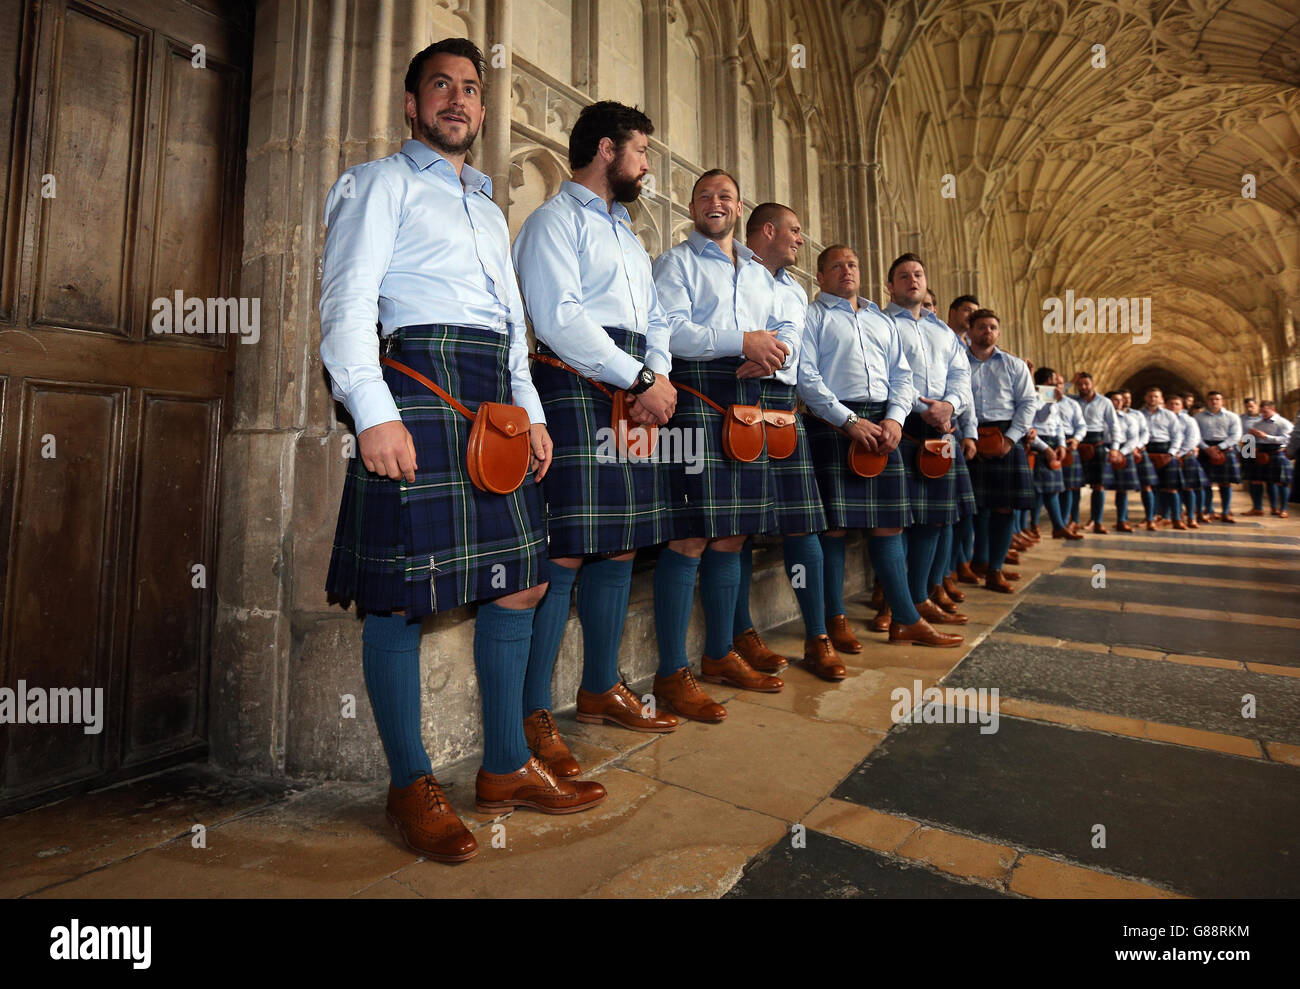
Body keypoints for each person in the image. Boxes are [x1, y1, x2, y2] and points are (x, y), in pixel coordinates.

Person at [319, 39, 605, 864]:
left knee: (520, 581)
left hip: (492, 397)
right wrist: (372, 412)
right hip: (417, 384)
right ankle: (410, 781)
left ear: (483, 112)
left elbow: (515, 327)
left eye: (470, 89)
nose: (456, 99)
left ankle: (507, 766)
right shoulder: (377, 184)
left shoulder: (487, 206)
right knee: (401, 597)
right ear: (411, 105)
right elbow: (345, 306)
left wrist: (532, 410)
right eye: (439, 85)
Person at [512, 101, 682, 772]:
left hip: (637, 391)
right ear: (607, 150)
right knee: (568, 552)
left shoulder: (628, 233)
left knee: (619, 546)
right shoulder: (553, 223)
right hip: (576, 386)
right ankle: (531, 711)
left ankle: (599, 686)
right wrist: (640, 377)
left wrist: (658, 376)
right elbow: (557, 320)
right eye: (640, 151)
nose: (645, 165)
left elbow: (659, 316)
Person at [650, 169, 794, 721]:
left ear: (739, 209)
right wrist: (742, 341)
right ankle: (669, 673)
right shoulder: (675, 263)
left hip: (749, 403)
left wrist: (772, 353)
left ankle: (718, 654)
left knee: (732, 535)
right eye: (706, 195)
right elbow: (668, 330)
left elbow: (783, 330)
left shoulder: (760, 275)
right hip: (693, 399)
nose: (716, 203)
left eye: (726, 197)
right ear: (691, 205)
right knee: (688, 537)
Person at [800, 245, 961, 647]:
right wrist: (849, 421)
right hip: (833, 424)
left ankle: (906, 618)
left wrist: (894, 418)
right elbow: (806, 376)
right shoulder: (813, 315)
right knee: (833, 529)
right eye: (836, 266)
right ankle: (834, 619)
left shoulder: (880, 320)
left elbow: (901, 377)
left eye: (852, 264)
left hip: (885, 423)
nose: (846, 271)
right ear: (820, 276)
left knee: (890, 525)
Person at [735, 203, 843, 681]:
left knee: (804, 527)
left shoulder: (797, 292)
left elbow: (798, 351)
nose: (801, 239)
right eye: (795, 231)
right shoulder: (736, 269)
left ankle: (817, 636)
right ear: (770, 230)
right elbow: (739, 332)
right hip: (739, 397)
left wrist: (776, 361)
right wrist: (755, 351)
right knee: (733, 529)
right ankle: (741, 633)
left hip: (783, 406)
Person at [882, 253, 973, 632]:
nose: (912, 280)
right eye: (903, 276)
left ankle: (918, 597)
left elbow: (962, 378)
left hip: (942, 429)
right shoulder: (880, 323)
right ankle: (893, 602)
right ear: (890, 287)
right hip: (898, 426)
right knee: (894, 519)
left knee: (935, 520)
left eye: (918, 273)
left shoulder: (945, 334)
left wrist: (951, 405)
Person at [964, 310, 1037, 593]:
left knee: (1004, 506)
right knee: (975, 506)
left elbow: (1028, 403)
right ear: (969, 330)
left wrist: (1010, 439)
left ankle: (995, 569)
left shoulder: (1014, 365)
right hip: (968, 436)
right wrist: (966, 435)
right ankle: (977, 561)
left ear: (999, 332)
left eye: (993, 327)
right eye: (982, 327)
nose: (988, 332)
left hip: (1005, 434)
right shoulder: (958, 362)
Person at [1028, 367, 1083, 539]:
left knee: (1050, 489)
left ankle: (1053, 526)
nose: (1057, 384)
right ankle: (1040, 526)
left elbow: (1058, 424)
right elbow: (1037, 422)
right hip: (1039, 443)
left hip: (1053, 442)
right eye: (1054, 380)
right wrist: (1047, 448)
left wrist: (1061, 445)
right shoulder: (1035, 397)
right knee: (1041, 489)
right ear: (1046, 382)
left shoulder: (1054, 398)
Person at [1071, 372, 1123, 534]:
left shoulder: (1105, 402)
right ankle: (1073, 521)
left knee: (1098, 485)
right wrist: (1068, 383)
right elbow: (1050, 396)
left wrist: (1115, 447)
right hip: (1076, 443)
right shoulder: (1071, 400)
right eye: (1080, 384)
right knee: (1074, 485)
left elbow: (1114, 425)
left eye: (1086, 384)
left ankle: (1097, 521)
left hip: (1097, 442)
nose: (1083, 387)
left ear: (1093, 384)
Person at [1139, 388, 1185, 528]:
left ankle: (1176, 519)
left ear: (1160, 399)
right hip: (1146, 450)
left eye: (1156, 396)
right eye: (1150, 396)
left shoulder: (1169, 415)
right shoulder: (1139, 415)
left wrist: (1171, 453)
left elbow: (1177, 436)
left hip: (1165, 449)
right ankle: (1150, 518)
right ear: (1145, 398)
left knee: (1171, 487)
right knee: (1147, 486)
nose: (1153, 399)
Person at [1194, 390, 1242, 522]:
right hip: (1206, 449)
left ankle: (1226, 512)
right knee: (1206, 483)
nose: (1214, 401)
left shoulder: (1233, 417)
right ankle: (1208, 511)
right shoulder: (1199, 417)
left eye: (1217, 399)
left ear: (1222, 401)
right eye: (1211, 399)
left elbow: (1236, 435)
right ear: (1207, 401)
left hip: (1225, 449)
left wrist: (1219, 447)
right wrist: (1206, 448)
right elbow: (1196, 435)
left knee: (1225, 483)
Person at [1249, 400, 1294, 517]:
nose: (1263, 414)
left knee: (1281, 482)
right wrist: (1250, 449)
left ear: (1273, 410)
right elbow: (1250, 439)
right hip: (1261, 454)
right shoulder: (1257, 424)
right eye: (1261, 412)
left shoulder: (1284, 423)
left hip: (1277, 452)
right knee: (1256, 480)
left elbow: (1287, 439)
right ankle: (1259, 508)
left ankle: (1283, 509)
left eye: (1265, 412)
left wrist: (1266, 437)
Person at [1168, 395, 1206, 528]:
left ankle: (1191, 517)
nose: (1173, 406)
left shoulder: (1189, 420)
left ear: (1182, 406)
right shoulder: (1163, 419)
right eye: (1171, 404)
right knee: (1172, 488)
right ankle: (1175, 517)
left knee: (1189, 487)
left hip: (1185, 456)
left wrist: (1179, 453)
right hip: (1169, 456)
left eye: (1176, 404)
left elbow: (1193, 439)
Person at [1106, 390, 1141, 531]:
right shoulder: (1101, 418)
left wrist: (1121, 453)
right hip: (1105, 452)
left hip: (1123, 453)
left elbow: (1133, 439)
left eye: (1120, 400)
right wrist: (1109, 452)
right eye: (1115, 399)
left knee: (1123, 488)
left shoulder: (1129, 419)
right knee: (1099, 487)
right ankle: (1095, 521)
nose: (1119, 402)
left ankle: (1122, 519)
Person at [1241, 397, 1265, 515]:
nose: (1249, 409)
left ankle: (1276, 507)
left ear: (1257, 406)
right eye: (1247, 407)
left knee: (1266, 478)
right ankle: (1256, 506)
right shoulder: (1241, 419)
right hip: (1247, 445)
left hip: (1262, 446)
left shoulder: (1263, 418)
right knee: (1251, 477)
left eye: (1252, 406)